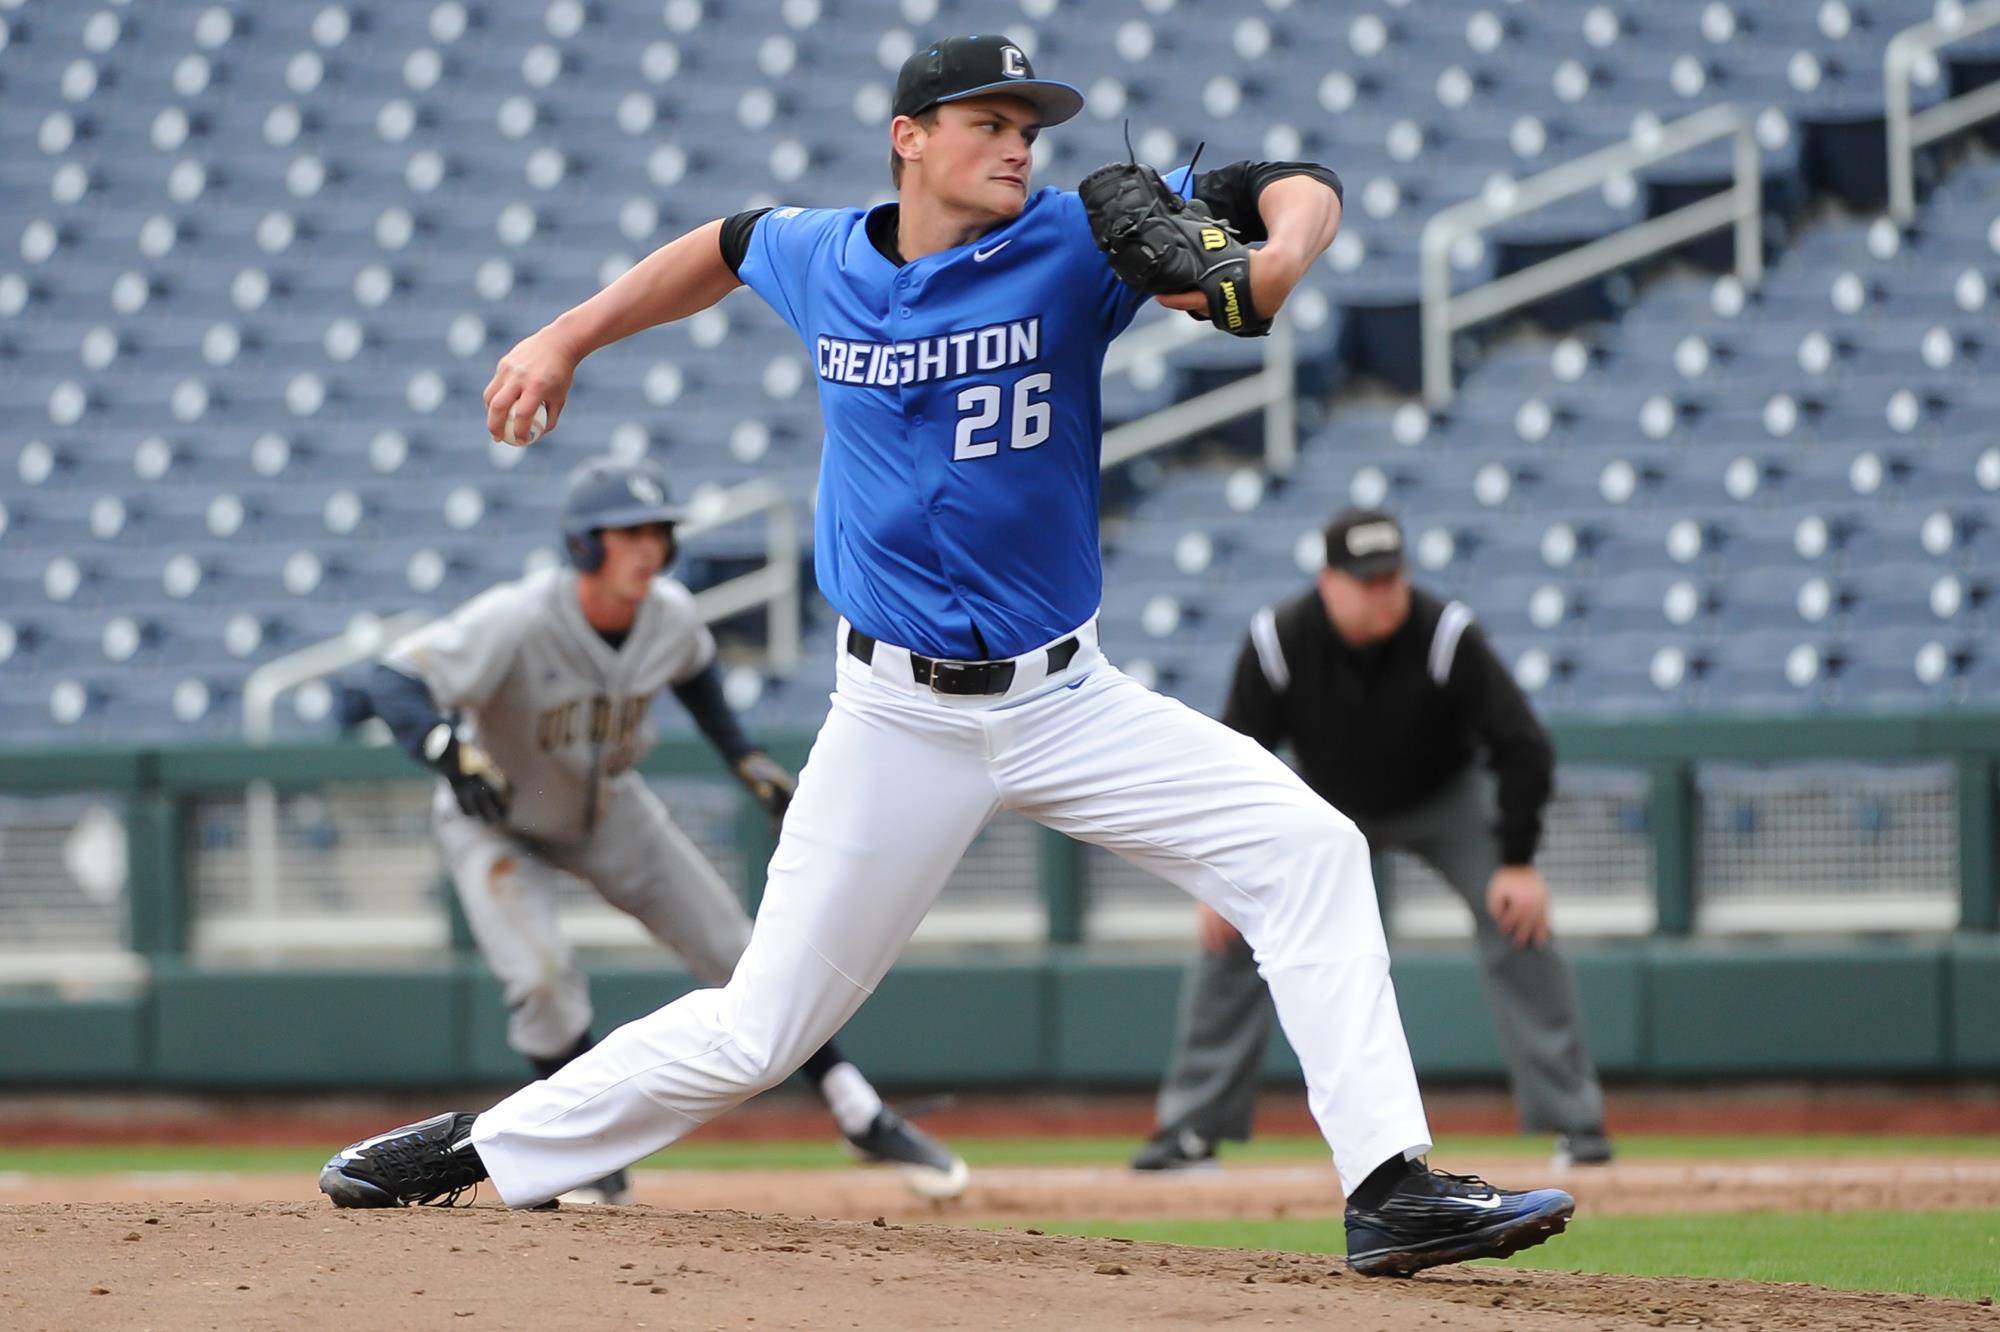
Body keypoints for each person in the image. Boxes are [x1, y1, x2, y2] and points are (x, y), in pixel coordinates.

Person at [318, 34, 1574, 1276]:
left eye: (1031, 126)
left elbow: (1293, 179)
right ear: (907, 137)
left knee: (1308, 851)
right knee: (762, 1028)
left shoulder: (1077, 241)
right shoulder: (818, 254)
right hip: (892, 720)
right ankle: (483, 1144)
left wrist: (1277, 255)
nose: (1020, 143)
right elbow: (718, 249)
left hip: (1066, 700)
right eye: (990, 121)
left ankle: (1388, 1189)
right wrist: (566, 339)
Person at [355, 454, 968, 1204]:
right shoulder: (518, 616)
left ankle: (857, 1111)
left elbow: (697, 673)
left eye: (658, 531)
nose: (649, 546)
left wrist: (741, 755)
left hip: (607, 805)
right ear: (584, 545)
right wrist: (447, 750)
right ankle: (588, 1159)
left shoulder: (669, 614)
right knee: (542, 980)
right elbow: (392, 679)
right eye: (628, 531)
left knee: (741, 950)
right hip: (499, 818)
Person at [1132, 508, 1613, 1176]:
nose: (1381, 591)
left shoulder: (1443, 633)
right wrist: (1218, 876)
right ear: (1329, 581)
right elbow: (1237, 754)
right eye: (1365, 580)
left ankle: (1576, 1123)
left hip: (1442, 797)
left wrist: (1518, 861)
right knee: (1232, 927)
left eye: (1391, 576)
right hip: (1325, 802)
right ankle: (1190, 1129)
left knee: (1518, 918)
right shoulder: (1279, 638)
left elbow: (1522, 745)